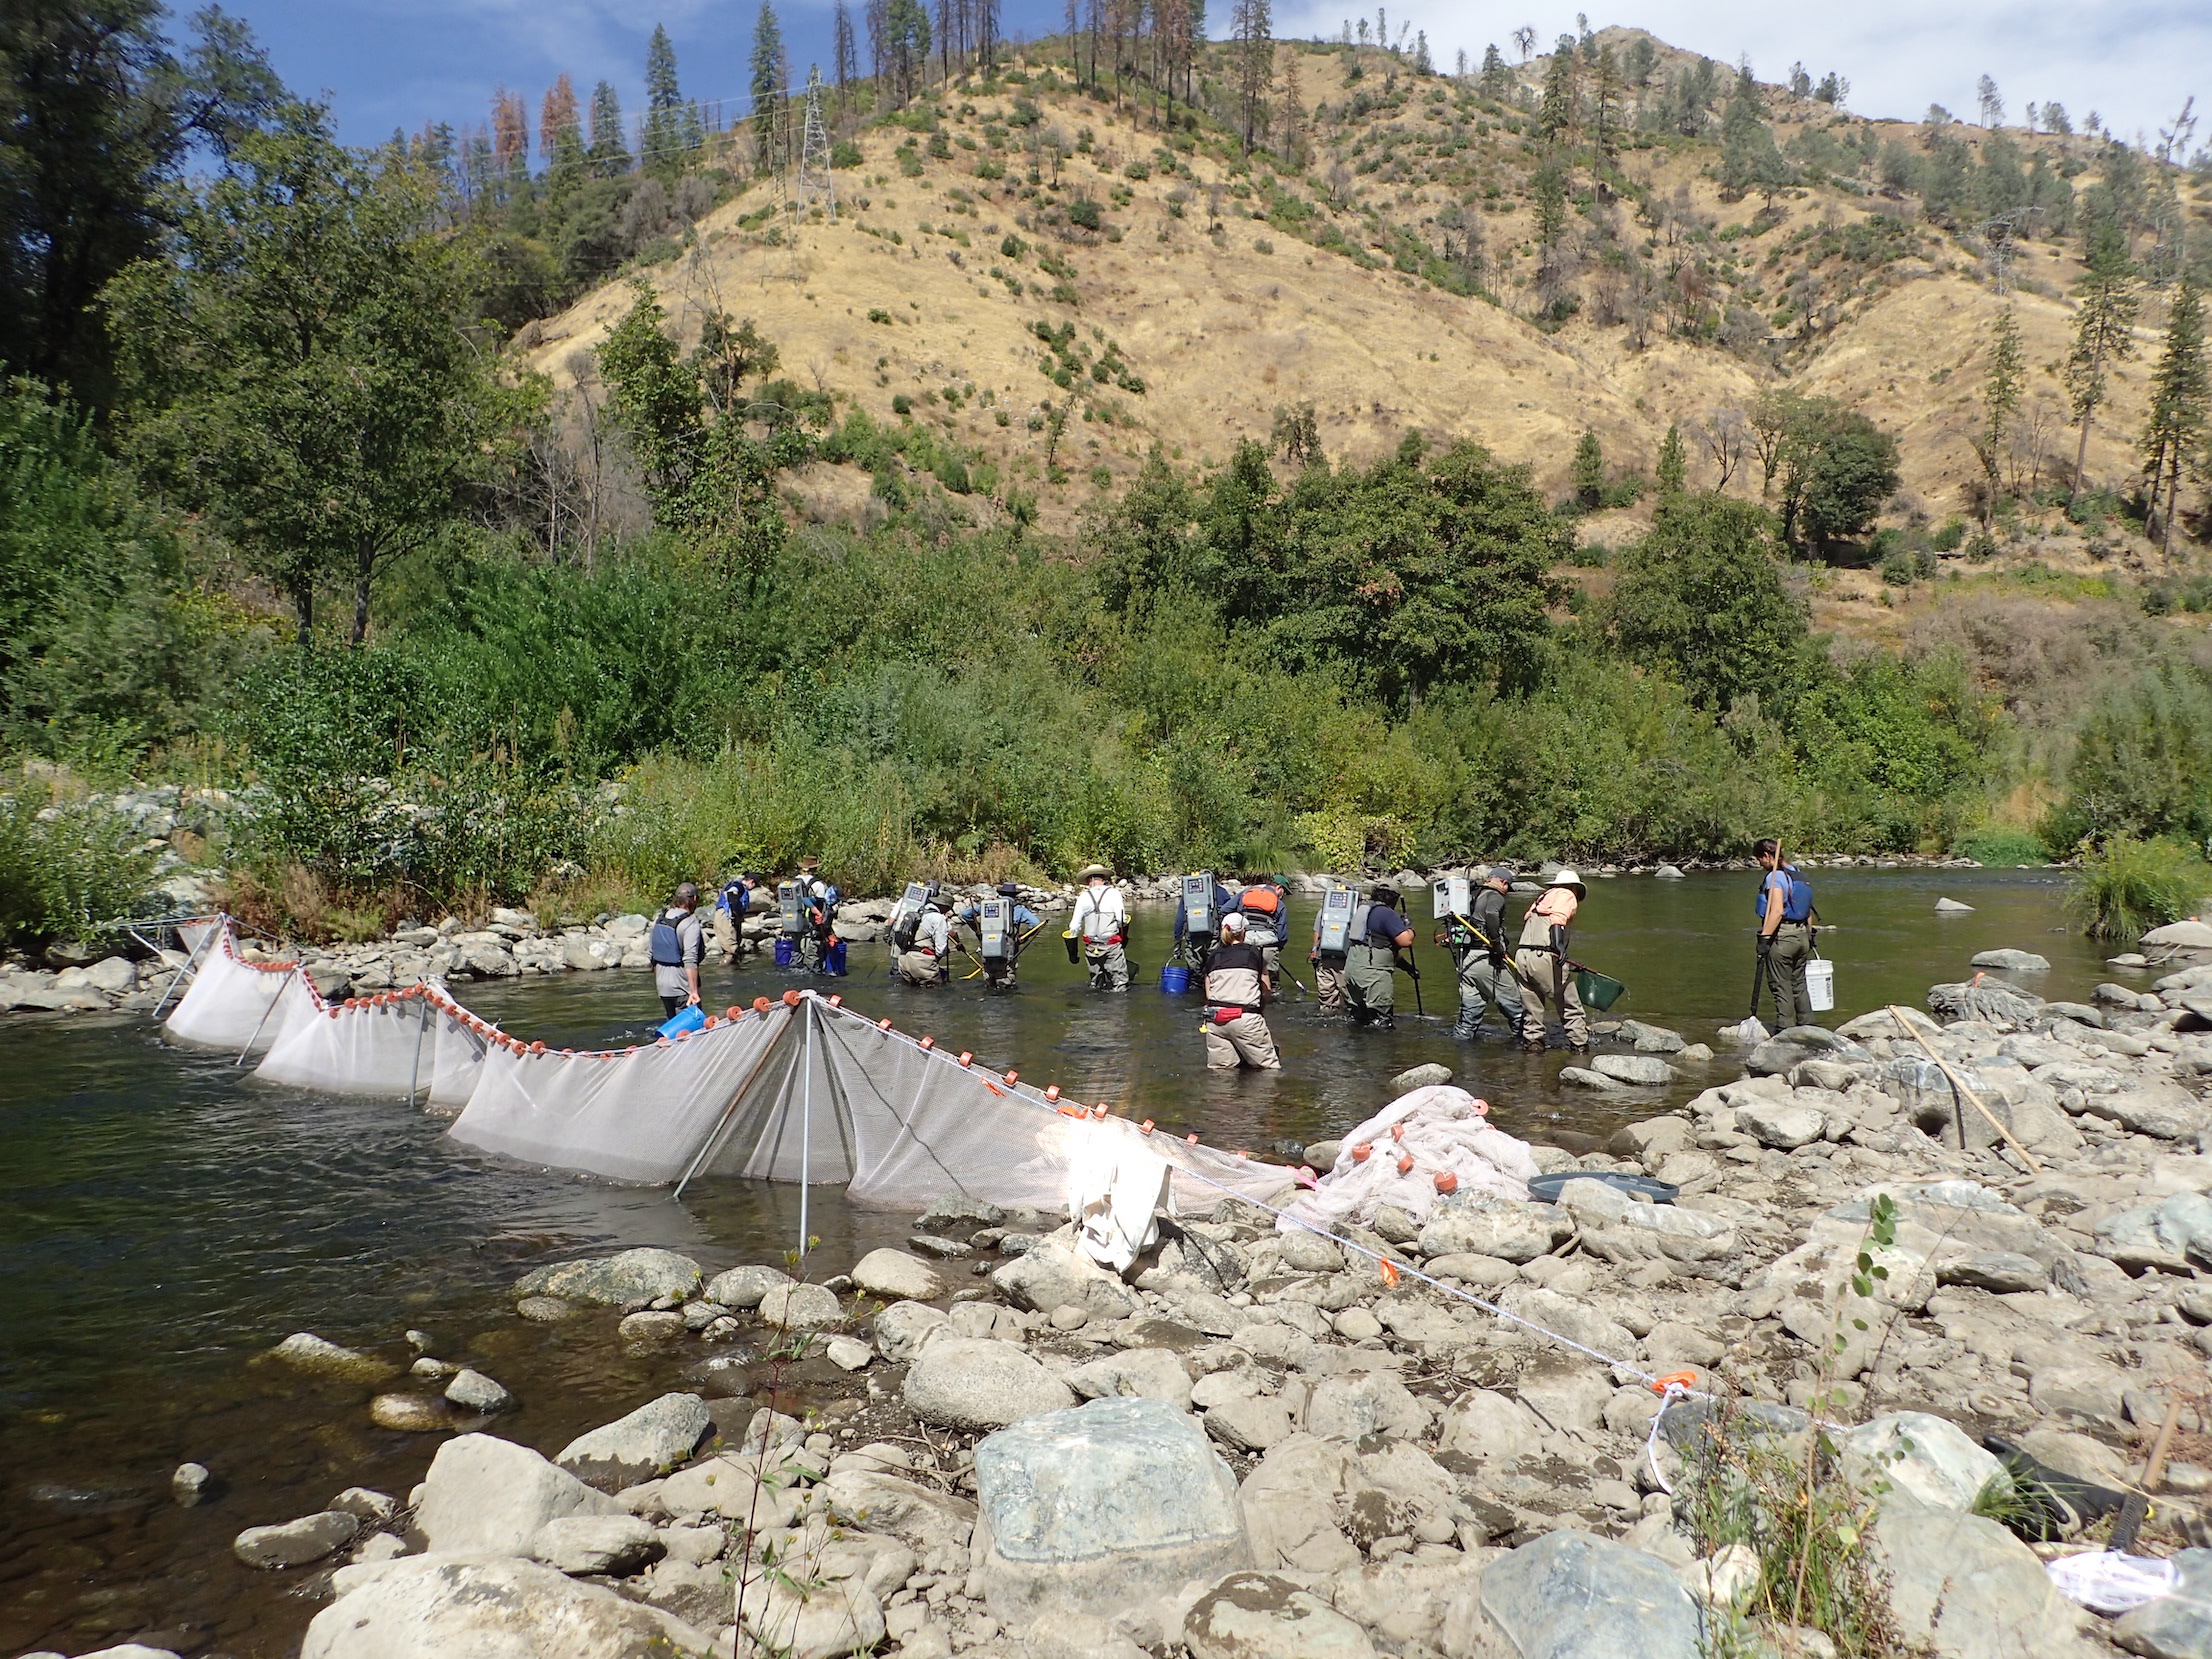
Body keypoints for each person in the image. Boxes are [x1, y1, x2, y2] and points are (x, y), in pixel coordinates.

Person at [1445, 865, 1524, 1040]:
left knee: (1469, 1016)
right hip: (1486, 959)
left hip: (1466, 959)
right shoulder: (1495, 896)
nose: (1506, 892)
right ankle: (1526, 1045)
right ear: (1503, 882)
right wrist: (1496, 944)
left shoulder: (1474, 895)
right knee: (1515, 1007)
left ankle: (1461, 1049)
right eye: (1507, 888)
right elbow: (1491, 914)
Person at [1513, 869, 1588, 1052]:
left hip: (1522, 956)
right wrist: (1559, 947)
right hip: (1544, 955)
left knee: (1532, 1006)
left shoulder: (1542, 898)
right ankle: (1580, 1048)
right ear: (1574, 888)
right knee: (1569, 1002)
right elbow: (1557, 921)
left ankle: (1533, 1045)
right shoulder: (1566, 894)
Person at [1200, 913, 1280, 1070]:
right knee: (1269, 1070)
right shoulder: (1254, 953)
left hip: (1216, 1020)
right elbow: (1266, 989)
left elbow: (1209, 994)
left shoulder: (1213, 957)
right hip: (1245, 1018)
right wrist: (1260, 1010)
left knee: (1221, 1072)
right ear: (1244, 931)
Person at [1756, 837, 1817, 1029]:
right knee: (1799, 984)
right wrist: (1809, 935)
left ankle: (1785, 1030)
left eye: (1759, 859)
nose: (1759, 864)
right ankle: (1807, 1026)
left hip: (1782, 937)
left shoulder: (1775, 877)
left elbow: (1776, 911)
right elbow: (1806, 910)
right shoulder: (1798, 874)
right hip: (1802, 936)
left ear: (1767, 856)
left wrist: (1765, 938)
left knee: (1780, 985)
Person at [1345, 882, 1415, 1030]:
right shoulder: (1386, 913)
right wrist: (1410, 927)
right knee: (1381, 1023)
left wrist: (1408, 968)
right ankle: (1380, 1052)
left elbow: (1382, 949)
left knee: (1359, 1020)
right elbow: (1406, 941)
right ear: (1394, 899)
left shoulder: (1363, 909)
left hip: (1353, 972)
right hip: (1373, 976)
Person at [957, 883, 1042, 988]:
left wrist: (977, 930)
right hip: (1008, 952)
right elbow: (1036, 924)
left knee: (989, 981)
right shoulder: (1019, 909)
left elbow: (966, 914)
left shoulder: (987, 905)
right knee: (1006, 983)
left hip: (987, 949)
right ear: (1014, 895)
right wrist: (1023, 937)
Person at [648, 882, 705, 1018]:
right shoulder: (690, 923)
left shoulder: (660, 919)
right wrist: (693, 991)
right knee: (691, 1031)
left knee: (672, 1030)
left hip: (663, 988)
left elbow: (651, 954)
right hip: (683, 988)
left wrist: (661, 983)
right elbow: (690, 959)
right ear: (695, 899)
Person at [1068, 864, 1129, 991]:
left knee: (1096, 985)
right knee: (1120, 984)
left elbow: (1073, 927)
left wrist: (1073, 955)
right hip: (1111, 945)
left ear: (1089, 880)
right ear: (1103, 878)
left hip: (1091, 947)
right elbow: (1121, 919)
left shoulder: (1083, 897)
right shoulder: (1114, 893)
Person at [1172, 873, 1237, 980]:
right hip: (1214, 937)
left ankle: (1195, 990)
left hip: (1193, 938)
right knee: (1215, 969)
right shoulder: (1222, 892)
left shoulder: (1187, 895)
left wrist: (1177, 943)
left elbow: (1180, 920)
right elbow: (1230, 916)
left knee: (1194, 973)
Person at [1232, 874, 1291, 984]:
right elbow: (1282, 935)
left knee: (1247, 978)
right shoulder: (1279, 904)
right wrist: (1277, 948)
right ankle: (1273, 998)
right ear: (1278, 888)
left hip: (1246, 941)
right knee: (1272, 982)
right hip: (1268, 943)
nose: (1283, 896)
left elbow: (1225, 910)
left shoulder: (1246, 893)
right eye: (1284, 892)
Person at [895, 895, 951, 986]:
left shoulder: (917, 913)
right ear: (945, 907)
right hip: (922, 961)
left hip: (903, 959)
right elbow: (941, 949)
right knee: (933, 993)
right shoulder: (938, 918)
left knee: (907, 992)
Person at [1311, 889, 1351, 1012]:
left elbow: (1317, 934)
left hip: (1325, 957)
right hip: (1345, 960)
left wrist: (1314, 952)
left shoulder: (1323, 911)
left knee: (1326, 997)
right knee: (1349, 995)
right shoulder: (1354, 912)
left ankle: (1327, 1016)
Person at [712, 872, 759, 966]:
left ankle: (734, 972)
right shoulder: (738, 885)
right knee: (731, 949)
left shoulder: (740, 887)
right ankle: (724, 972)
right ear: (751, 882)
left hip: (729, 916)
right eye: (755, 885)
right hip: (726, 916)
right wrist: (734, 913)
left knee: (734, 948)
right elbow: (731, 894)